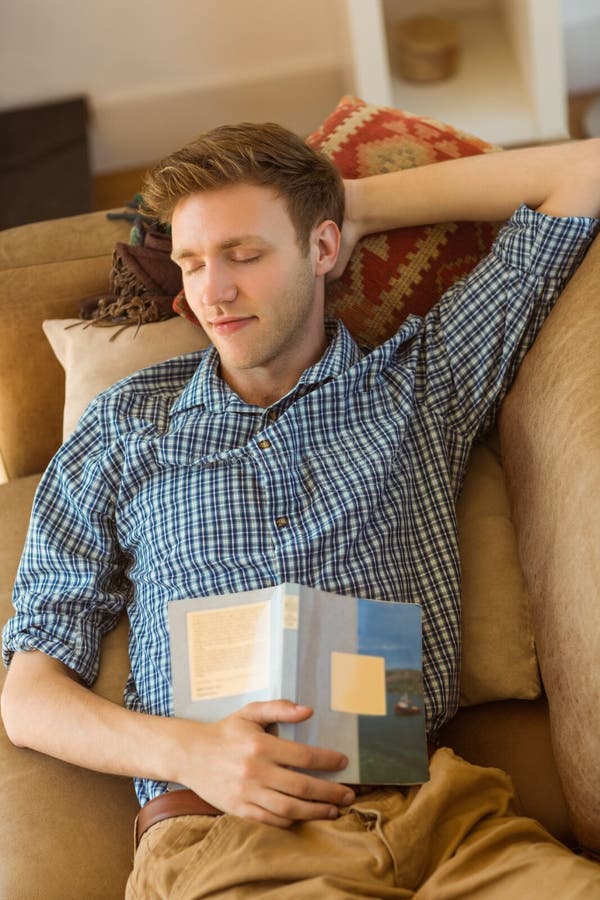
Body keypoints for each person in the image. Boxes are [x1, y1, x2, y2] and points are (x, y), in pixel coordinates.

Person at [2, 121, 600, 898]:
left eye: (244, 255)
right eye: (192, 263)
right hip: (227, 841)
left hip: (444, 824)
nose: (211, 292)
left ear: (321, 251)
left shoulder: (422, 383)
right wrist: (187, 752)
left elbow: (586, 169)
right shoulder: (125, 425)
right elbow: (28, 696)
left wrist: (354, 206)